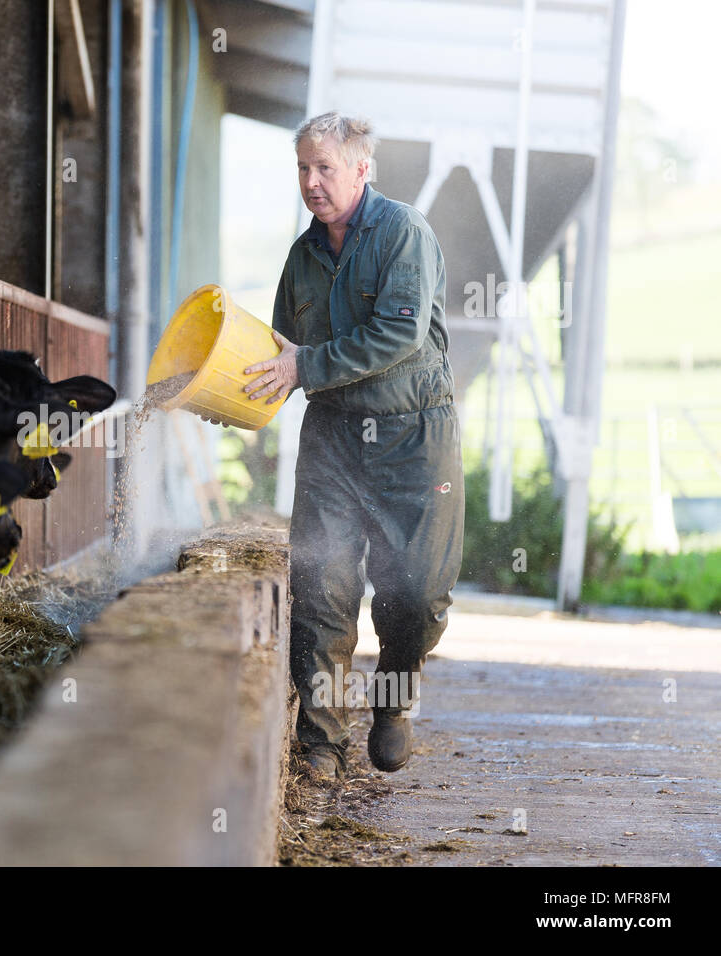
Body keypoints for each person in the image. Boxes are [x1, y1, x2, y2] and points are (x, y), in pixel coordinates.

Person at [243, 111, 465, 780]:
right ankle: (322, 743)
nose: (312, 183)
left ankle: (394, 701)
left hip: (413, 437)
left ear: (361, 170)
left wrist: (302, 369)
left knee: (416, 594)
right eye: (303, 169)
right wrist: (235, 397)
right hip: (335, 439)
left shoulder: (404, 235)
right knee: (322, 588)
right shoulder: (301, 255)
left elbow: (396, 336)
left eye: (325, 168)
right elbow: (283, 352)